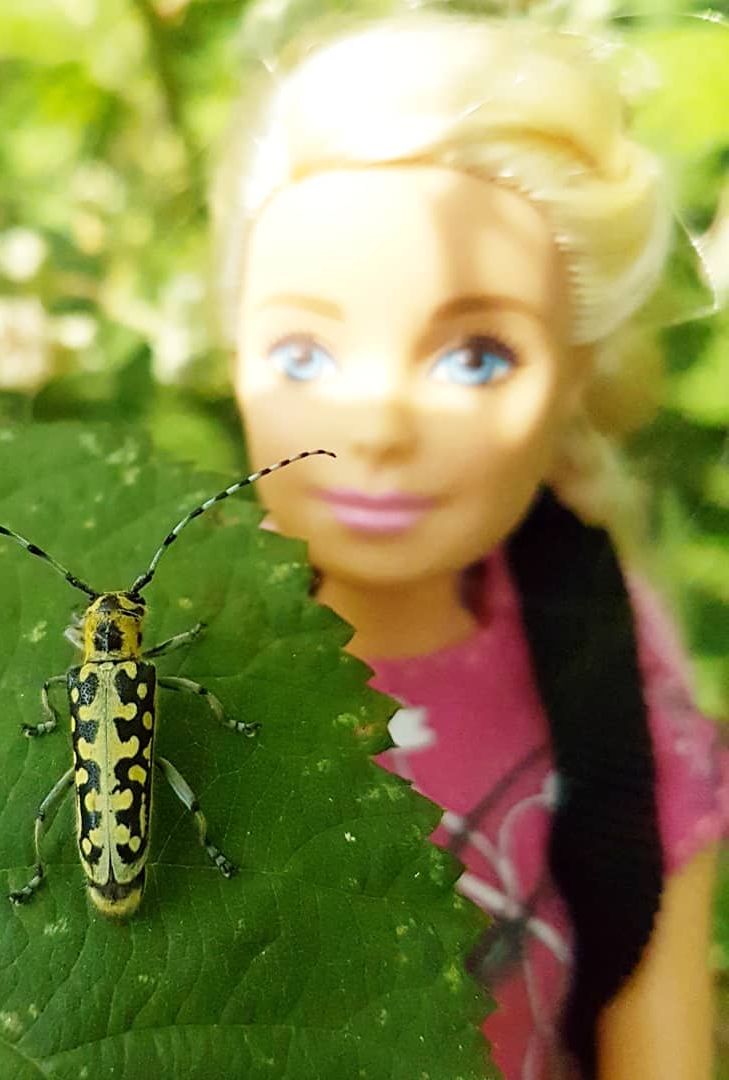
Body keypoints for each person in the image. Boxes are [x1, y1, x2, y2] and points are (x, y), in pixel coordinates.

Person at [211, 12, 727, 1079]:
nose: (379, 427)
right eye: (303, 352)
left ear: (575, 378)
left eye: (478, 357)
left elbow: (656, 1022)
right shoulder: (179, 643)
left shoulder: (596, 654)